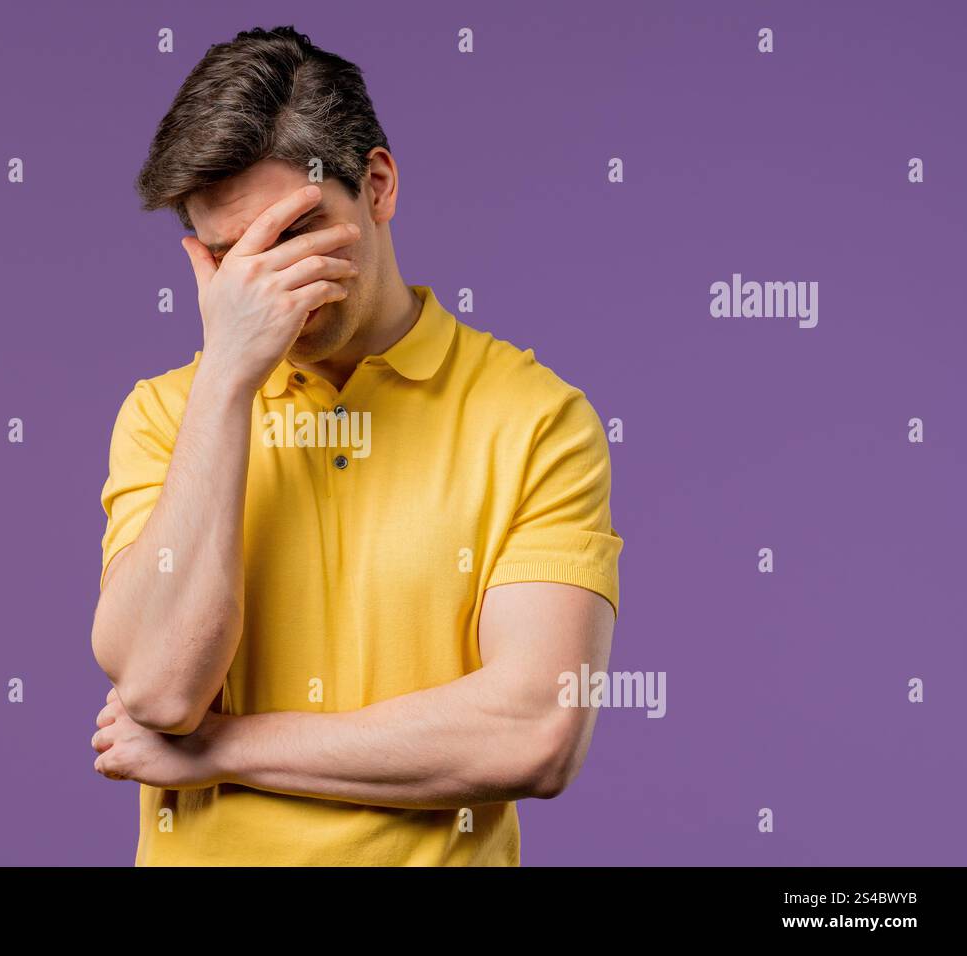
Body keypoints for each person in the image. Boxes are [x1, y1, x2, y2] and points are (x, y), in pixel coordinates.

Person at [89, 25, 623, 866]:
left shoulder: (536, 419)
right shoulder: (166, 416)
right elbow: (158, 688)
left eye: (293, 234)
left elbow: (534, 734)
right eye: (232, 257)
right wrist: (228, 378)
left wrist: (221, 749)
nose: (270, 283)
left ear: (376, 186)